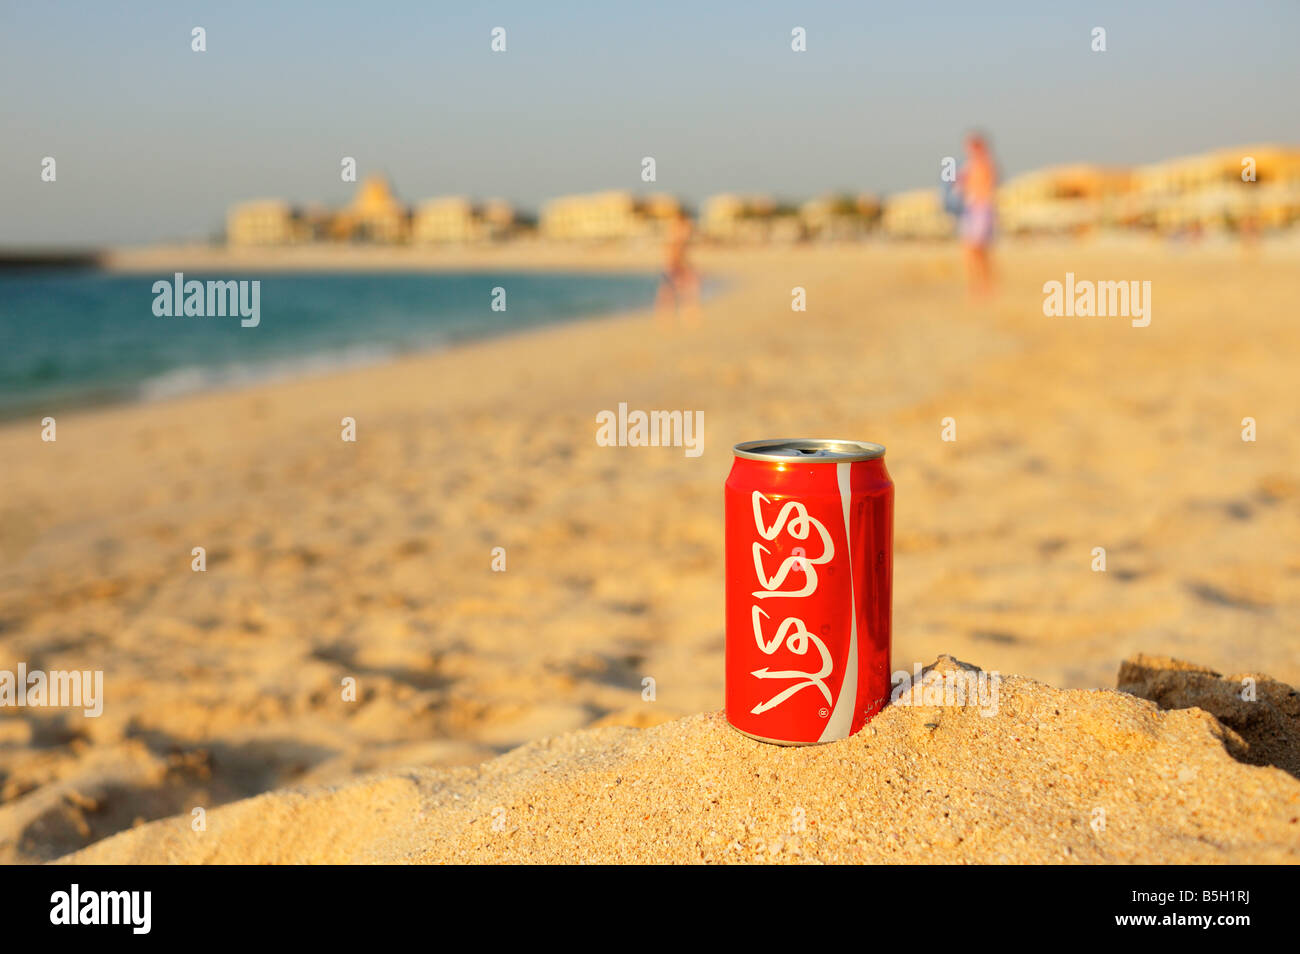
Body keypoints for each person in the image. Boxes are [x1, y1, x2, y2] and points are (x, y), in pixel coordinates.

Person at [957, 132, 998, 298]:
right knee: (970, 251)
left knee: (980, 250)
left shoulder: (985, 164)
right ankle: (976, 286)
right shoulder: (970, 165)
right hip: (971, 209)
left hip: (981, 209)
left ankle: (987, 285)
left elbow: (986, 187)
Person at [656, 208, 700, 324]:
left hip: (678, 263)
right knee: (670, 290)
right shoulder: (677, 232)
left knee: (680, 289)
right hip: (674, 263)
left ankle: (682, 314)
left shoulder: (677, 232)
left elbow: (677, 249)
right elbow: (674, 249)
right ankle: (668, 315)